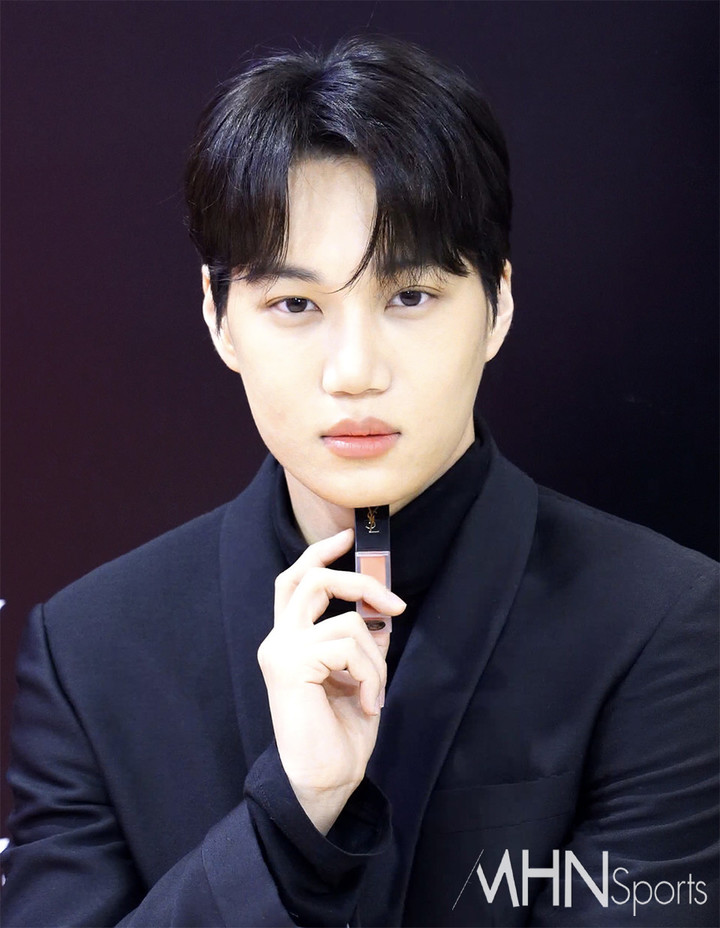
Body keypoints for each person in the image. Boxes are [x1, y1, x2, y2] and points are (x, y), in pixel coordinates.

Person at [2, 35, 717, 928]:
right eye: (295, 305)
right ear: (219, 320)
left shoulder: (663, 623)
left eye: (409, 297)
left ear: (497, 305)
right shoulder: (90, 651)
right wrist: (290, 820)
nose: (354, 372)